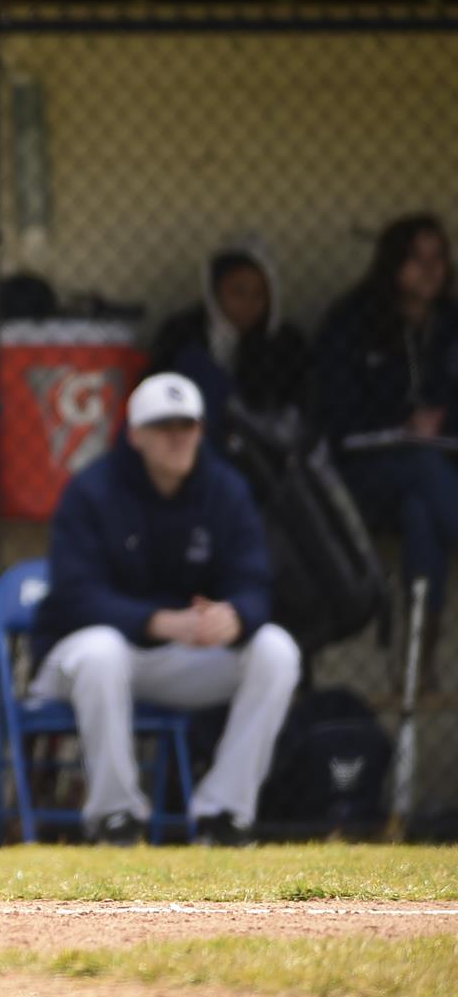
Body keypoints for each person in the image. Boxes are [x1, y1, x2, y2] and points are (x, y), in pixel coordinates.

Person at [30, 372, 301, 846]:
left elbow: (255, 582)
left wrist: (235, 616)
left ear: (201, 430)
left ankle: (224, 815)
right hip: (82, 661)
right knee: (101, 651)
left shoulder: (225, 490)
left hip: (181, 657)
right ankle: (115, 818)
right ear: (135, 435)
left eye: (187, 425)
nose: (178, 438)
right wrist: (156, 622)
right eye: (163, 426)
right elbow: (75, 597)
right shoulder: (91, 492)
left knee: (276, 650)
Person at [313, 213, 458, 681]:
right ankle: (416, 660)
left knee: (422, 510)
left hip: (436, 477)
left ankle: (417, 661)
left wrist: (442, 421)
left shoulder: (452, 324)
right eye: (416, 258)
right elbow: (334, 423)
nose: (430, 269)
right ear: (393, 264)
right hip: (360, 476)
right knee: (421, 463)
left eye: (439, 257)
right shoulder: (352, 322)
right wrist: (399, 426)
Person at [146, 239, 309, 442]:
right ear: (215, 292)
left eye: (259, 294)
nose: (249, 303)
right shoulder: (182, 334)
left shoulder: (285, 342)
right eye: (238, 292)